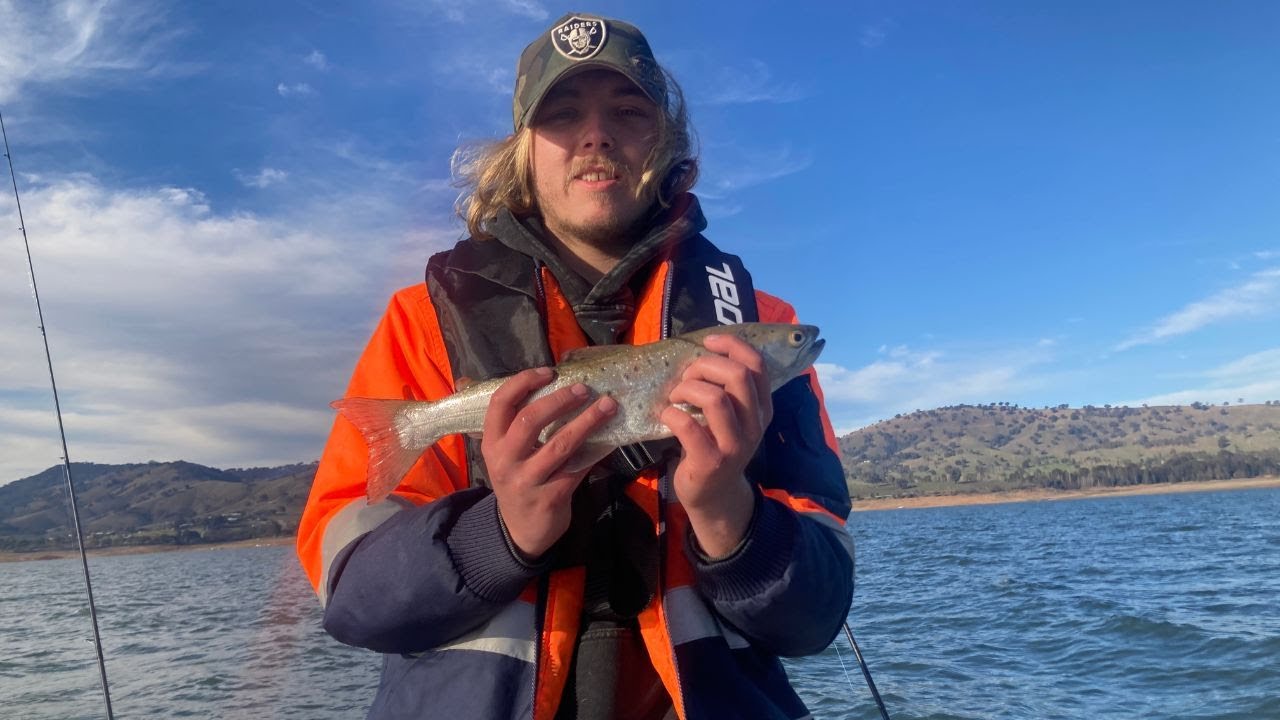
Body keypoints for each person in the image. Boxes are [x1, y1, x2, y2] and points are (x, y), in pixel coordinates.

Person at [296, 12, 854, 720]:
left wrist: (725, 508)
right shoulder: (422, 320)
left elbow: (815, 620)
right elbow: (353, 599)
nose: (597, 135)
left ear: (669, 143)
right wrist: (500, 531)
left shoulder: (760, 324)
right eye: (563, 115)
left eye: (629, 111)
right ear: (524, 151)